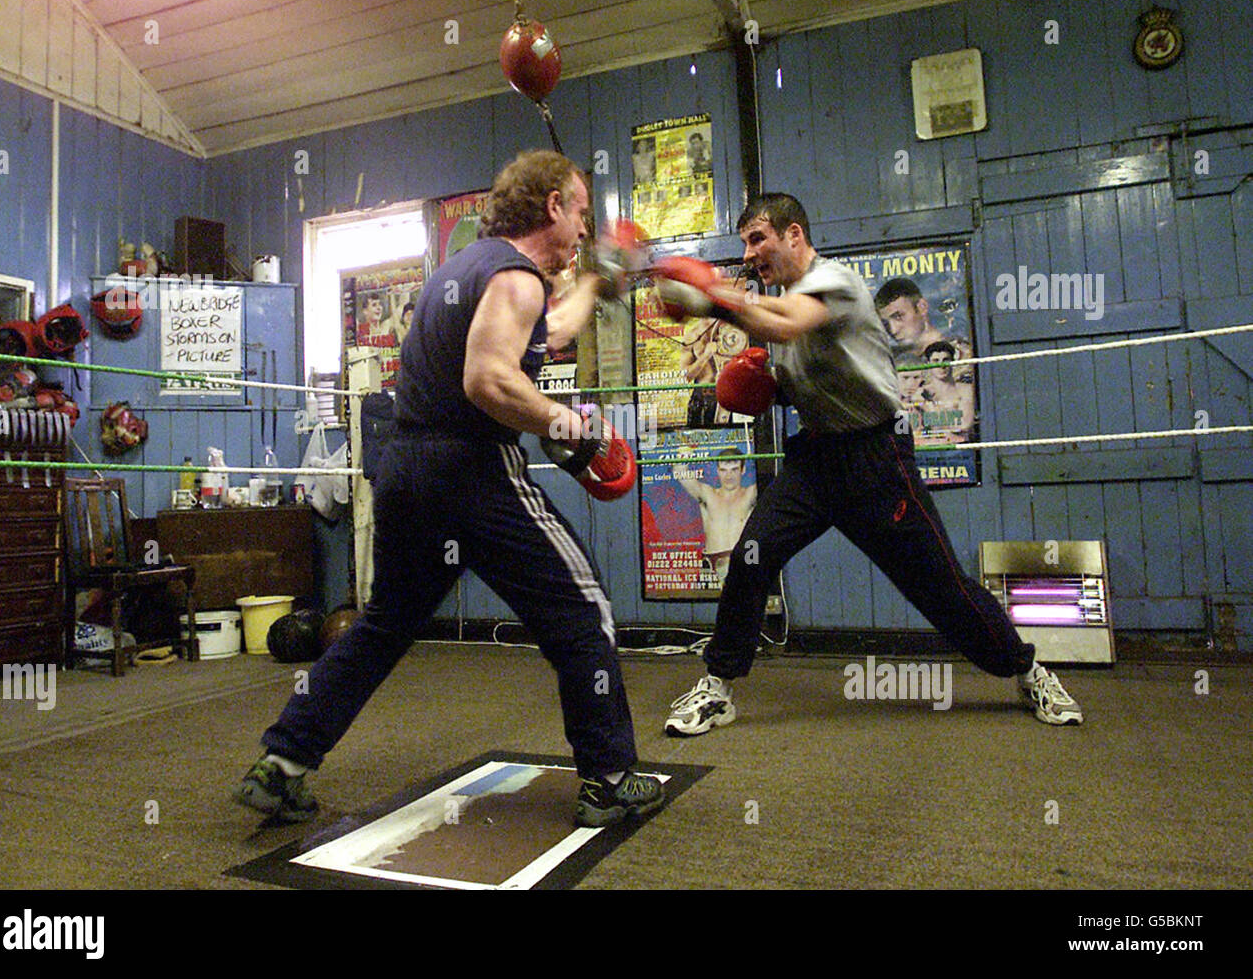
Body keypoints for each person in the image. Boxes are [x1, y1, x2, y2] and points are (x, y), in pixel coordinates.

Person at [236, 150, 665, 827]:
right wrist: (571, 425)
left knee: (385, 624)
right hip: (470, 469)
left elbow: (543, 333)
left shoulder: (462, 270)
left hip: (405, 469)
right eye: (581, 212)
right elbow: (490, 381)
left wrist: (597, 279)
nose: (585, 229)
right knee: (583, 612)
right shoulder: (517, 277)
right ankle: (609, 778)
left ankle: (283, 762)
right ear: (552, 205)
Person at [656, 193, 1082, 735]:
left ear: (794, 235)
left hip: (877, 461)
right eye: (743, 242)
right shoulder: (777, 304)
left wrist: (710, 298)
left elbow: (787, 323)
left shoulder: (834, 283)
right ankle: (718, 687)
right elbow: (793, 357)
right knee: (750, 559)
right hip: (816, 462)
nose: (749, 253)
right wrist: (757, 382)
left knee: (940, 586)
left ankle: (1028, 670)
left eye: (758, 238)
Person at [672, 448, 757, 583]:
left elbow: (774, 477)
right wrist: (684, 455)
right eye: (723, 470)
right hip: (712, 565)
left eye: (734, 469)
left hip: (743, 563)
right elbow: (681, 474)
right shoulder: (707, 493)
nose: (729, 476)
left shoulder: (750, 494)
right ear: (718, 471)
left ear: (743, 470)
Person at [874, 277, 973, 366]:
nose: (893, 330)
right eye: (885, 323)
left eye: (898, 317)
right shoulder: (887, 362)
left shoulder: (961, 355)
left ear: (922, 307)